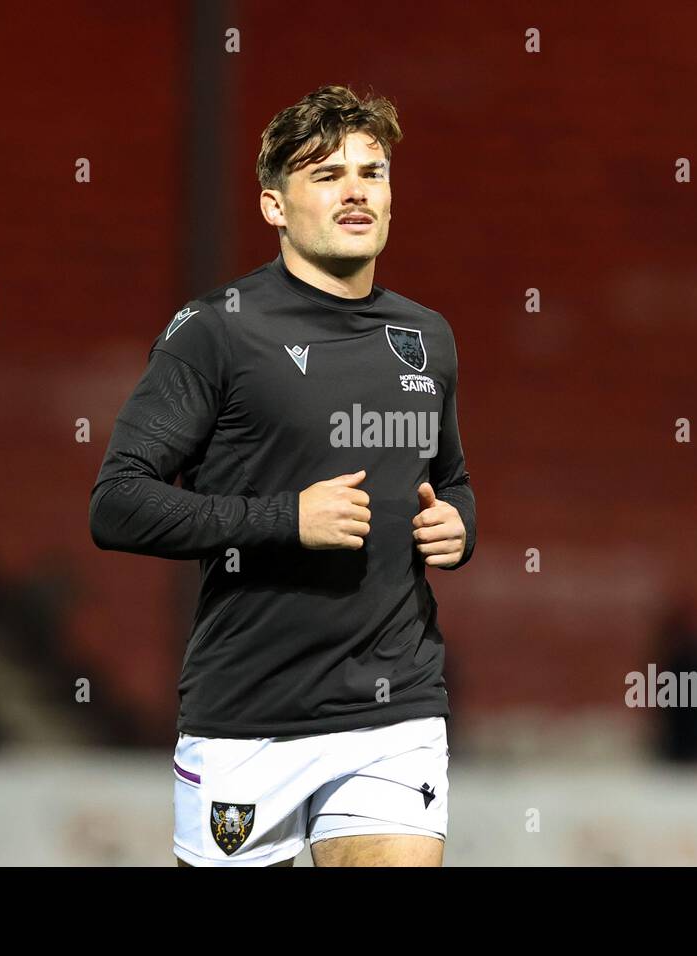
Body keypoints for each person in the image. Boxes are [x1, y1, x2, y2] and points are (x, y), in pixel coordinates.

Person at [89, 85, 476, 866]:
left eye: (374, 170)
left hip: (393, 707)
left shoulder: (425, 338)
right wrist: (284, 520)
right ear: (274, 206)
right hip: (248, 715)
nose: (359, 188)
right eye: (328, 174)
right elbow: (117, 503)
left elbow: (453, 479)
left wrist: (460, 526)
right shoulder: (217, 331)